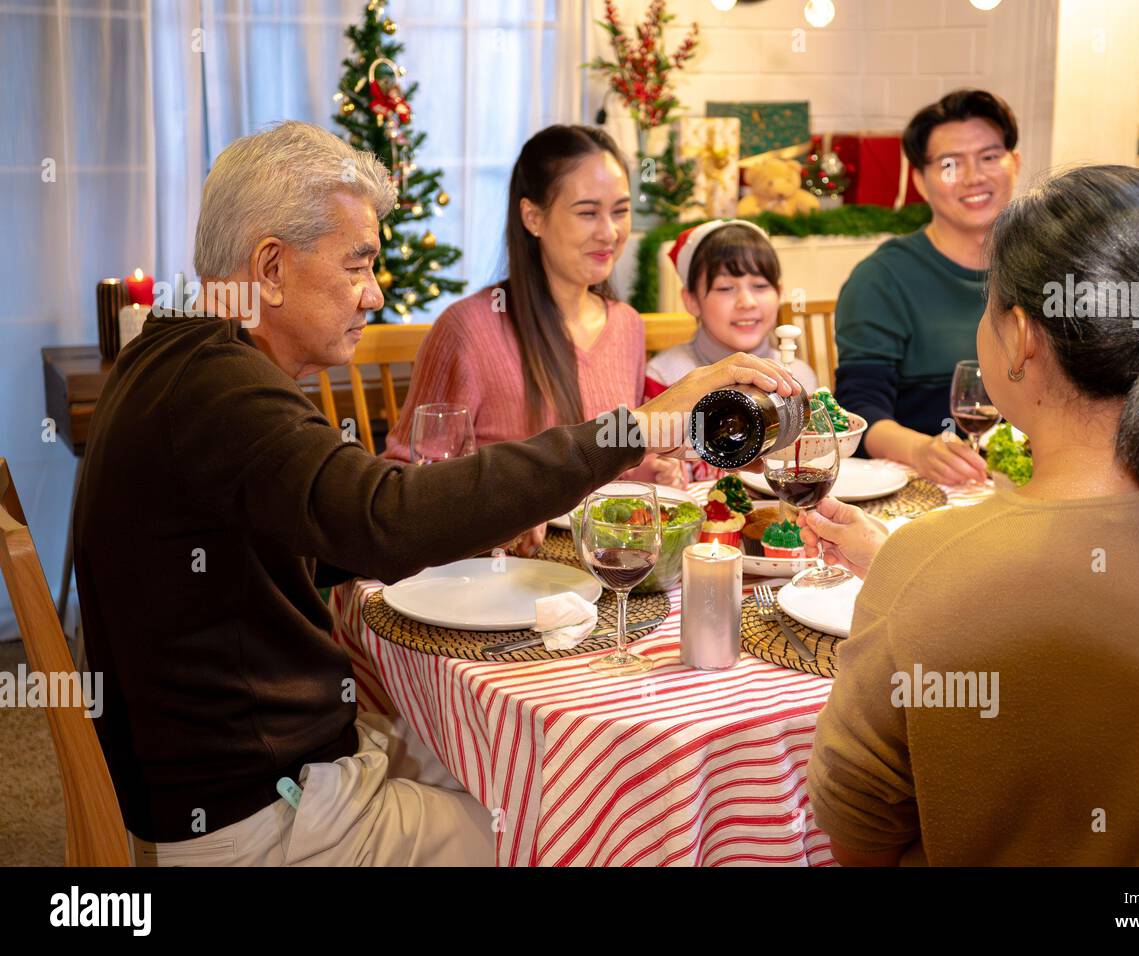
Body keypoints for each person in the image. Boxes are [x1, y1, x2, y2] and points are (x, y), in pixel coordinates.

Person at [72, 120, 797, 866]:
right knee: (579, 831)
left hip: (241, 768)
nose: (374, 295)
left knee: (529, 766)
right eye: (358, 267)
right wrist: (634, 429)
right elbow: (385, 522)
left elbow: (317, 530)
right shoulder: (221, 391)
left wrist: (475, 523)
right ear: (270, 266)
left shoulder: (178, 346)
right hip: (258, 815)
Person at [799, 165, 1139, 866]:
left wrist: (921, 576)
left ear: (1022, 337)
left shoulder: (935, 564)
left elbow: (858, 836)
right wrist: (910, 571)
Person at [383, 124, 684, 558]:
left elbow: (608, 463)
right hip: (502, 577)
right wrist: (496, 517)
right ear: (533, 217)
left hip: (600, 570)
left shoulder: (627, 325)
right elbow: (406, 488)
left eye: (619, 211)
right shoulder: (469, 328)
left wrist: (651, 469)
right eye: (587, 212)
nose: (609, 232)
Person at [834, 89, 1021, 485]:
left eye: (989, 157)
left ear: (1014, 163)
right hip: (927, 491)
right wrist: (921, 450)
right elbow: (858, 414)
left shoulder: (1047, 266)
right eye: (951, 164)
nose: (974, 177)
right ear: (920, 180)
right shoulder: (881, 279)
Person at [645, 219, 818, 481]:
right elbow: (654, 464)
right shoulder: (666, 376)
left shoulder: (798, 378)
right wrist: (659, 471)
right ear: (691, 300)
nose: (746, 302)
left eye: (760, 286)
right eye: (725, 288)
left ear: (779, 292)